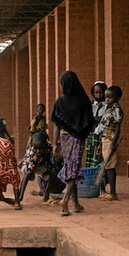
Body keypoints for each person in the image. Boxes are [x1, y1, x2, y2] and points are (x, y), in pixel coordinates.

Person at [51, 70, 94, 216]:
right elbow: (89, 122)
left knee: (71, 167)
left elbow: (56, 124)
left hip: (65, 138)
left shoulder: (60, 102)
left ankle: (75, 204)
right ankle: (65, 200)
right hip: (78, 139)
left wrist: (55, 143)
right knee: (73, 168)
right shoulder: (84, 101)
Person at [93, 85, 123, 201]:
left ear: (117, 98)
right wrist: (101, 143)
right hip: (105, 139)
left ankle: (113, 192)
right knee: (107, 165)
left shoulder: (116, 110)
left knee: (110, 166)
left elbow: (117, 127)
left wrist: (113, 143)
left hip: (110, 140)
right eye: (106, 97)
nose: (107, 100)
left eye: (110, 97)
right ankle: (109, 191)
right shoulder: (108, 109)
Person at [17, 130, 54, 204]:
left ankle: (46, 195)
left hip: (41, 165)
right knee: (28, 174)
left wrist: (50, 168)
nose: (38, 151)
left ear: (45, 146)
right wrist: (31, 173)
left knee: (52, 173)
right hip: (28, 165)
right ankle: (20, 196)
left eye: (41, 148)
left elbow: (51, 162)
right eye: (36, 148)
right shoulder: (32, 153)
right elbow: (29, 169)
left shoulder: (49, 148)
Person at [85, 81, 107, 168]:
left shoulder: (107, 105)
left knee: (99, 157)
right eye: (96, 92)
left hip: (101, 135)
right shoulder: (91, 105)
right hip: (91, 135)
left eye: (101, 92)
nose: (99, 95)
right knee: (90, 157)